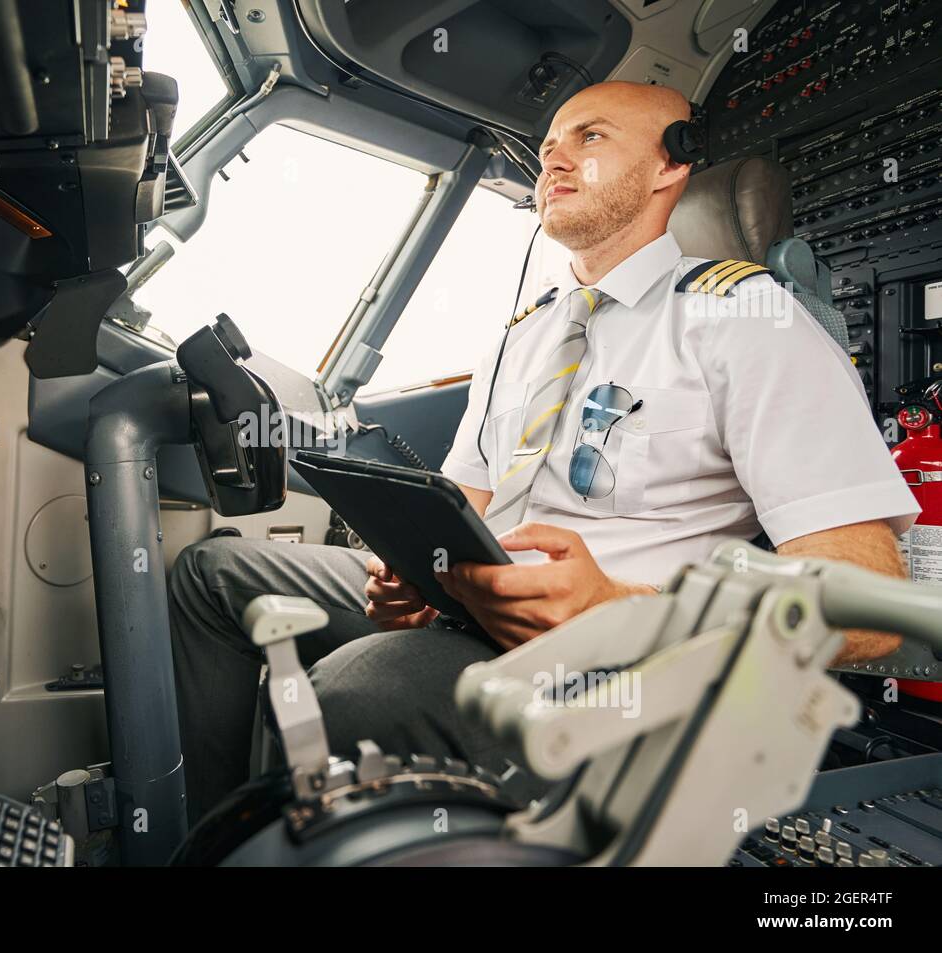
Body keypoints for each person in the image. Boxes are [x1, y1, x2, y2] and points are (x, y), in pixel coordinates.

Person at [168, 81, 919, 823]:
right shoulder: (524, 334)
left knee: (352, 690)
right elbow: (470, 504)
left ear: (671, 166)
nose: (554, 160)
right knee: (213, 572)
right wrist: (413, 572)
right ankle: (211, 839)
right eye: (549, 146)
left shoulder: (747, 320)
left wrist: (617, 607)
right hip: (471, 605)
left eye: (590, 138)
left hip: (619, 650)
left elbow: (869, 601)